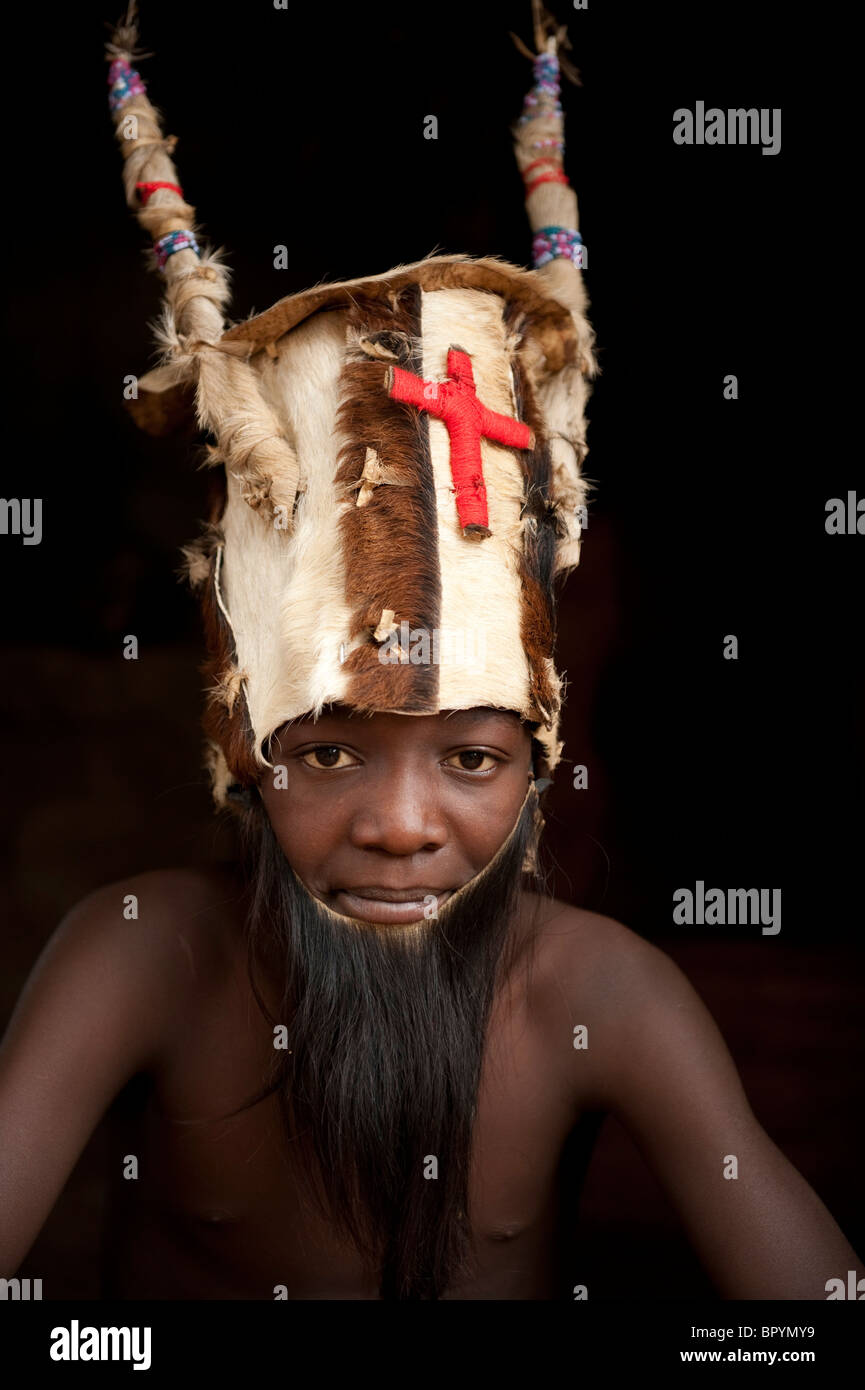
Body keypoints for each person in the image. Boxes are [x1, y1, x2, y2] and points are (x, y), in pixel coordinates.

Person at [0, 2, 860, 1300]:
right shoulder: (144, 957)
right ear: (247, 747)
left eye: (467, 754)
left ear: (537, 755)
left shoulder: (599, 995)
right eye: (334, 746)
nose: (401, 823)